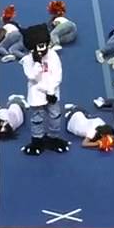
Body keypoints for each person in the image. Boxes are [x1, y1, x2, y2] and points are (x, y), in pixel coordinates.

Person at [18, 24, 69, 155]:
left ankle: (53, 137)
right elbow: (32, 77)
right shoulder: (27, 60)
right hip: (37, 94)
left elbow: (57, 74)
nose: (42, 49)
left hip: (52, 92)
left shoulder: (53, 56)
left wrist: (51, 91)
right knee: (36, 118)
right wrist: (37, 63)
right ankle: (37, 140)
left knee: (55, 116)